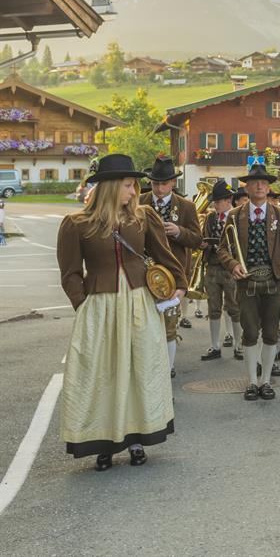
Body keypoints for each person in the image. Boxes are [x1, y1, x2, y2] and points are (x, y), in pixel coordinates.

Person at [56, 154, 186, 471]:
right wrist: (83, 304)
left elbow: (165, 257)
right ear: (112, 187)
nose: (134, 191)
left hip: (140, 305)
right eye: (128, 185)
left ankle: (136, 440)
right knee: (102, 373)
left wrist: (179, 286)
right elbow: (70, 272)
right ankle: (104, 442)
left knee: (139, 370)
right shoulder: (77, 224)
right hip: (99, 308)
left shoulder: (143, 218)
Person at [217, 164, 280, 401]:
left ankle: (266, 381)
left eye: (263, 182)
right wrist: (233, 264)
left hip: (274, 282)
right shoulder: (234, 215)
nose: (259, 186)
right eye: (254, 182)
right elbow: (222, 249)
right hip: (246, 282)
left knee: (271, 332)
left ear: (268, 187)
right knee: (250, 332)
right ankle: (252, 381)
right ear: (247, 187)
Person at [143, 156, 202, 378]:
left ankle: (167, 369)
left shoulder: (186, 206)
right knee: (145, 324)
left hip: (172, 275)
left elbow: (197, 239)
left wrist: (179, 232)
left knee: (169, 324)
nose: (159, 189)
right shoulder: (139, 202)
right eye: (155, 183)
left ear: (173, 183)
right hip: (144, 272)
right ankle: (148, 367)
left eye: (164, 184)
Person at [199, 180, 243, 361]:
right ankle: (214, 346)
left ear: (228, 200)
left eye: (218, 201)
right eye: (214, 202)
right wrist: (203, 243)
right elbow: (204, 236)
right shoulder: (211, 218)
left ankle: (239, 345)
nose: (215, 205)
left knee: (234, 307)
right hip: (212, 266)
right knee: (213, 307)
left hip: (231, 268)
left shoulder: (237, 217)